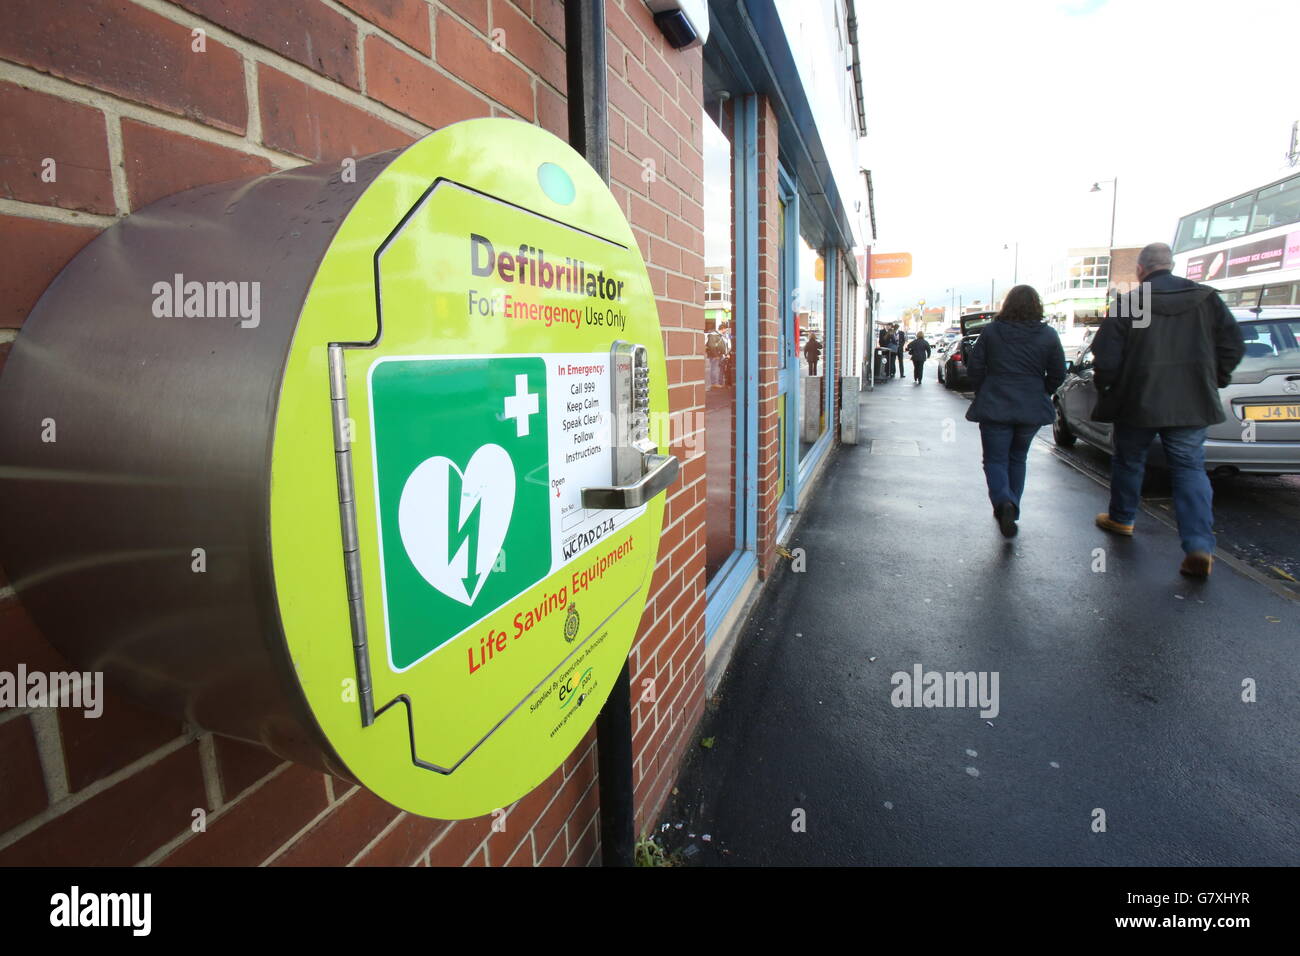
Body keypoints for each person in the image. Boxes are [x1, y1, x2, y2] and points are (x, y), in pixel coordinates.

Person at [1090, 241, 1245, 577]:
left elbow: (1108, 356)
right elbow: (1233, 345)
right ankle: (1199, 546)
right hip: (1191, 402)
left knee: (1130, 460)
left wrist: (1109, 386)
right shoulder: (1206, 299)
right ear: (1170, 264)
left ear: (1141, 270)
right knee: (1189, 468)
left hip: (1138, 400)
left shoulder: (1134, 302)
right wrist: (1215, 377)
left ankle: (1122, 518)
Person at [965, 284, 1066, 537]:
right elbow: (1058, 373)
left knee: (995, 459)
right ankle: (1013, 506)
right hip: (1031, 406)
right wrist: (1041, 390)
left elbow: (975, 366)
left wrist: (983, 390)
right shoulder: (1049, 335)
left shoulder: (992, 332)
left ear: (1008, 305)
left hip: (996, 404)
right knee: (1018, 458)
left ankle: (1003, 502)